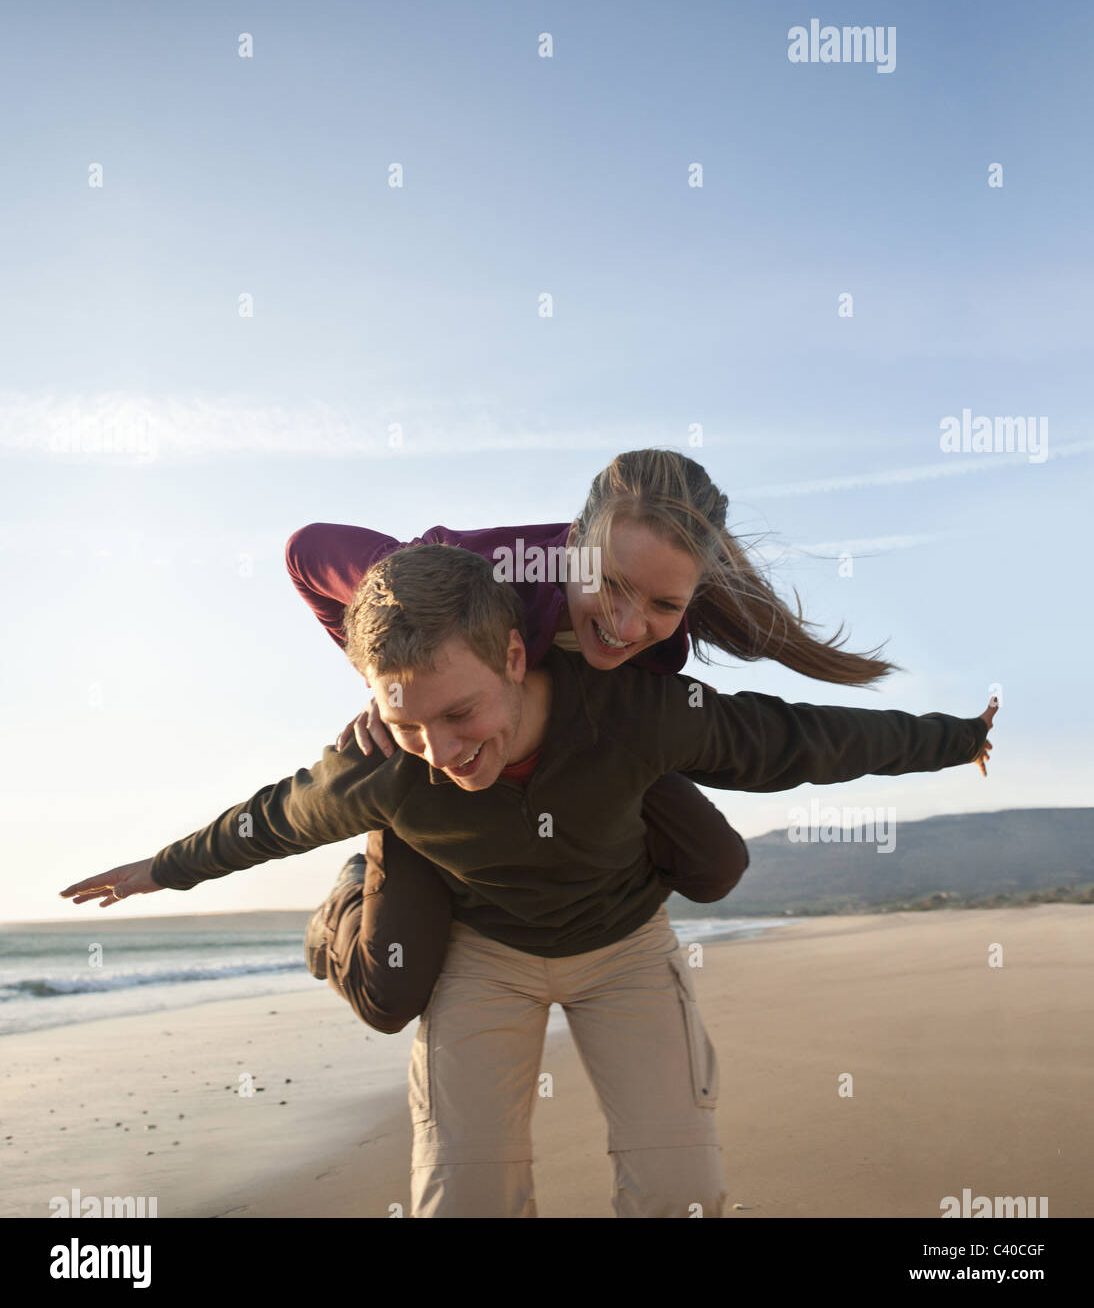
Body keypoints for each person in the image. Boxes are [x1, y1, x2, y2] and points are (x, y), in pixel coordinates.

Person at [61, 542, 996, 1219]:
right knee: (463, 1201)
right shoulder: (382, 766)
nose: (443, 753)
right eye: (413, 724)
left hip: (622, 946)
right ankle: (355, 894)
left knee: (684, 1197)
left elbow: (803, 738)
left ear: (515, 656)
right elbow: (267, 821)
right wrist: (159, 870)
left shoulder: (634, 709)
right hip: (483, 952)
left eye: (462, 714)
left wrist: (956, 739)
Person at [283, 448, 906, 1031]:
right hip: (449, 761)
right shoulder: (490, 571)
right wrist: (387, 678)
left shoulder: (662, 644)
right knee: (390, 997)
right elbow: (307, 550)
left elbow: (764, 736)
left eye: (662, 601)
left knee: (716, 865)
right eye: (609, 582)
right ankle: (348, 897)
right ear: (577, 546)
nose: (627, 623)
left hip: (582, 753)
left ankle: (558, 875)